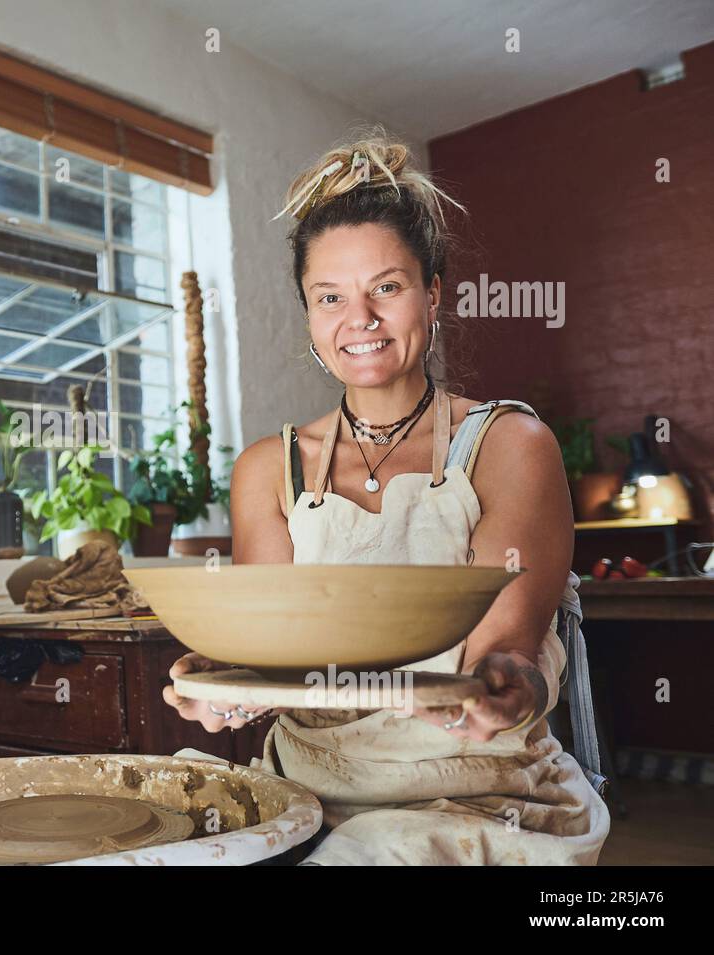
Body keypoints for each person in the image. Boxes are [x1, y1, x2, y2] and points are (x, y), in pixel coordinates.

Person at [164, 135, 610, 865]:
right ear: (309, 316)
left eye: (387, 287)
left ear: (432, 293)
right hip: (306, 785)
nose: (359, 318)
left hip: (473, 791)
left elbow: (508, 652)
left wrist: (506, 689)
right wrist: (220, 684)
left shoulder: (508, 444)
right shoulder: (268, 470)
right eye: (330, 296)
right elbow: (271, 658)